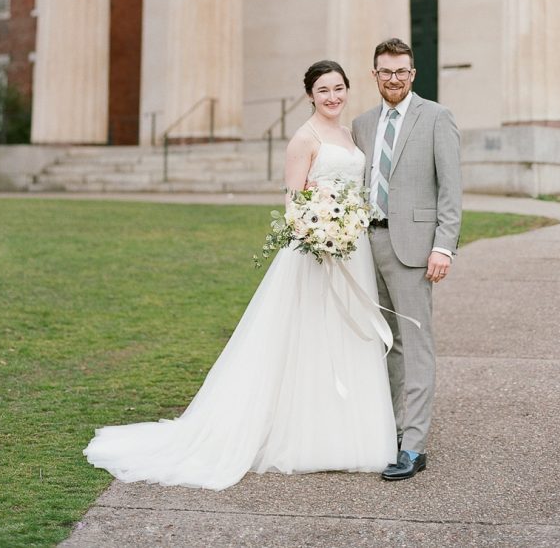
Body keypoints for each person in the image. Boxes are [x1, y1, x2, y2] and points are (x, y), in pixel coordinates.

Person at [83, 60, 397, 490]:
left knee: (348, 336)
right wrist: (322, 228)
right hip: (317, 252)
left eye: (338, 88)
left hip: (352, 249)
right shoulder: (303, 139)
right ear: (309, 95)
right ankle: (305, 437)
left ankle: (351, 435)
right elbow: (292, 204)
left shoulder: (348, 135)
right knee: (309, 338)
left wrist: (347, 224)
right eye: (323, 90)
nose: (332, 97)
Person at [352, 38, 462, 481]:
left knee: (415, 344)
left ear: (412, 75)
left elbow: (451, 189)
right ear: (374, 75)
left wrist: (444, 245)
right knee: (384, 342)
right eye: (385, 72)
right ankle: (393, 429)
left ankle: (414, 445)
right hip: (365, 246)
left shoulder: (436, 117)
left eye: (401, 72)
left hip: (415, 249)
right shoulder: (361, 124)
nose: (393, 79)